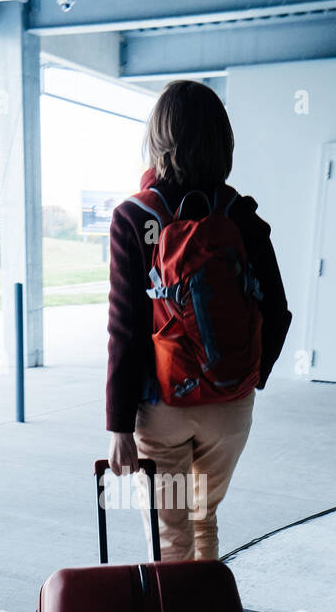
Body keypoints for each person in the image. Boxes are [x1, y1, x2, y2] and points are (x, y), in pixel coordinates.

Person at [105, 79, 291, 561]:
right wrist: (249, 379)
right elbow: (278, 310)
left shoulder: (135, 217)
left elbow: (124, 329)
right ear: (222, 140)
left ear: (159, 138)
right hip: (230, 404)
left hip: (161, 401)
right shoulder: (241, 215)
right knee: (203, 517)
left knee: (171, 539)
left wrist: (119, 426)